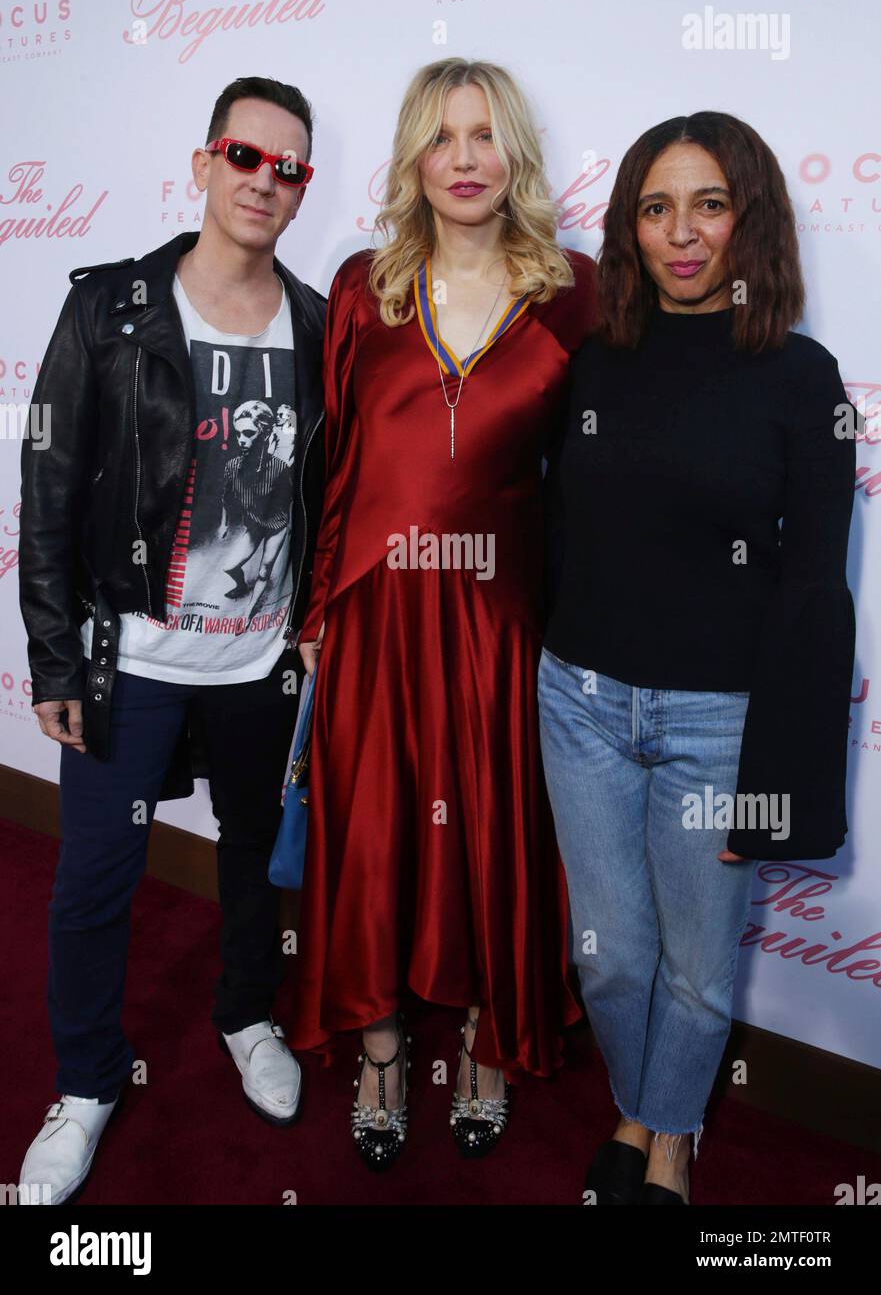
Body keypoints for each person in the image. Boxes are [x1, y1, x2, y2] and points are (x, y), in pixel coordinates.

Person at [17, 76, 328, 1204]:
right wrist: (54, 654)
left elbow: (326, 497)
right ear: (204, 163)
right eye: (245, 156)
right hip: (127, 658)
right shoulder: (113, 307)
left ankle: (247, 1013)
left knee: (251, 854)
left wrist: (313, 628)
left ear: (302, 192)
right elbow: (49, 478)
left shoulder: (314, 322)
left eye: (287, 167)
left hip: (258, 662)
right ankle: (88, 1082)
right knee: (94, 881)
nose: (263, 181)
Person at [537, 111, 856, 1205]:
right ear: (630, 227)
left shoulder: (801, 380)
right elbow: (557, 535)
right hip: (576, 705)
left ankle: (662, 1139)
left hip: (718, 727)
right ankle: (647, 1106)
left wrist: (776, 792)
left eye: (708, 204)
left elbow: (816, 592)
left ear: (746, 221)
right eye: (655, 206)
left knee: (694, 966)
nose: (681, 232)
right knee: (610, 958)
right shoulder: (591, 361)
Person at [291, 58, 597, 1169]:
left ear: (510, 151)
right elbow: (335, 461)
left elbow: (594, 477)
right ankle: (379, 1045)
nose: (463, 158)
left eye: (482, 135)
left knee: (489, 830)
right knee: (373, 832)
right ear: (413, 157)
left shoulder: (573, 288)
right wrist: (317, 608)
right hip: (374, 615)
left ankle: (481, 1034)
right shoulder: (362, 285)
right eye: (440, 136)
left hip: (500, 621)